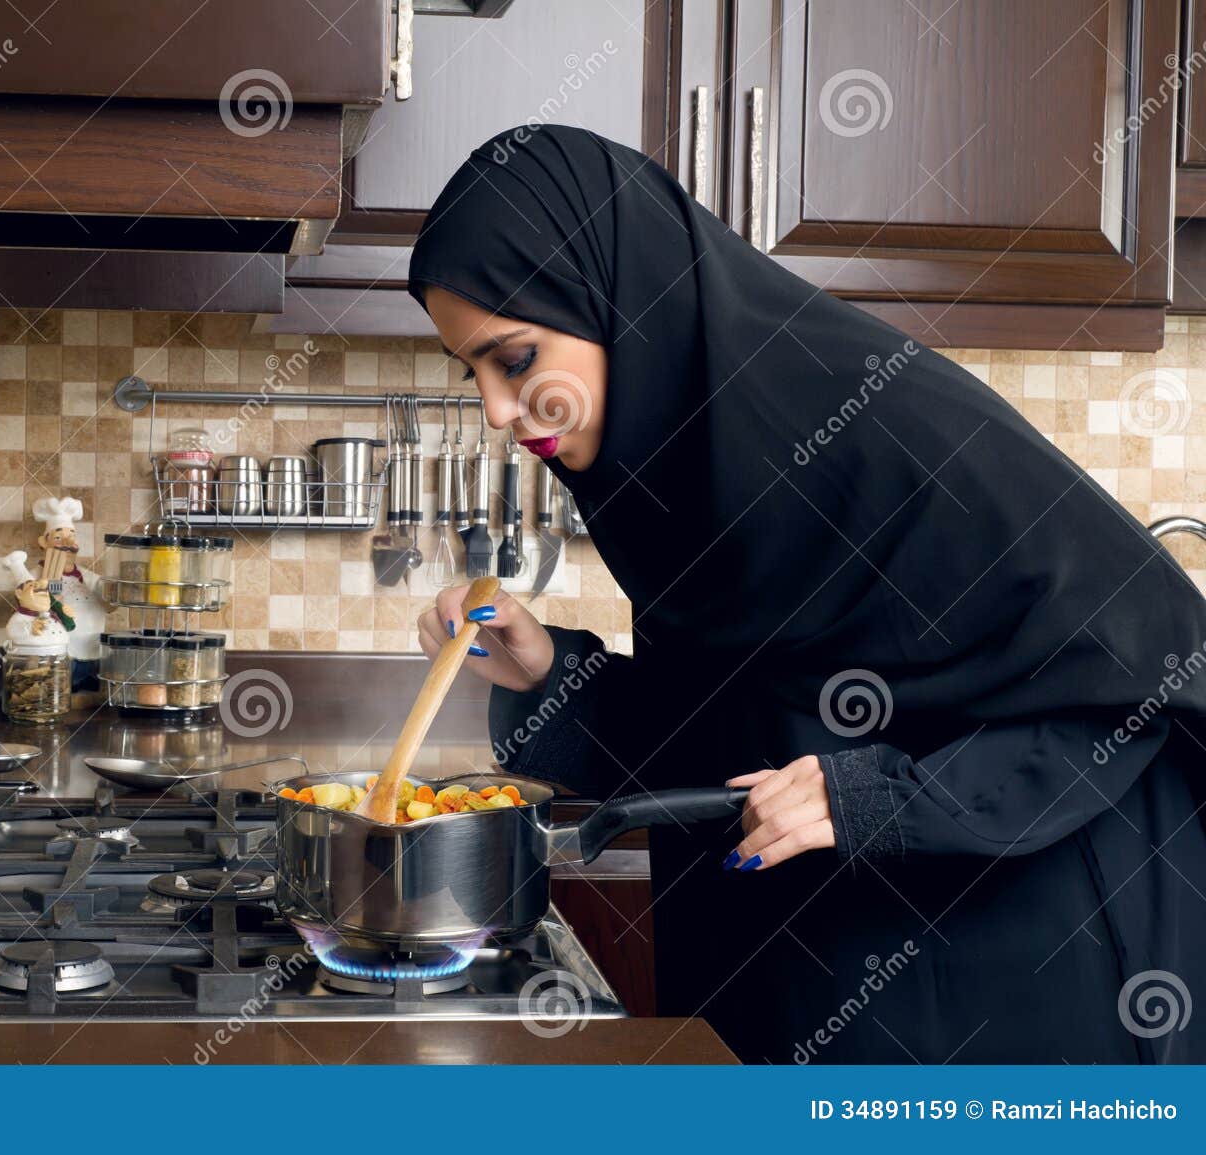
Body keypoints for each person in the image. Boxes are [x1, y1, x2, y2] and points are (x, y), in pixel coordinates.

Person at [410, 124, 1206, 1064]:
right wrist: (552, 677)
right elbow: (732, 738)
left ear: (621, 301)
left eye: (515, 359)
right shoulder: (686, 481)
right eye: (474, 373)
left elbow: (1141, 682)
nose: (498, 411)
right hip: (838, 968)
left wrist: (893, 799)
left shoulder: (884, 427)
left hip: (1023, 972)